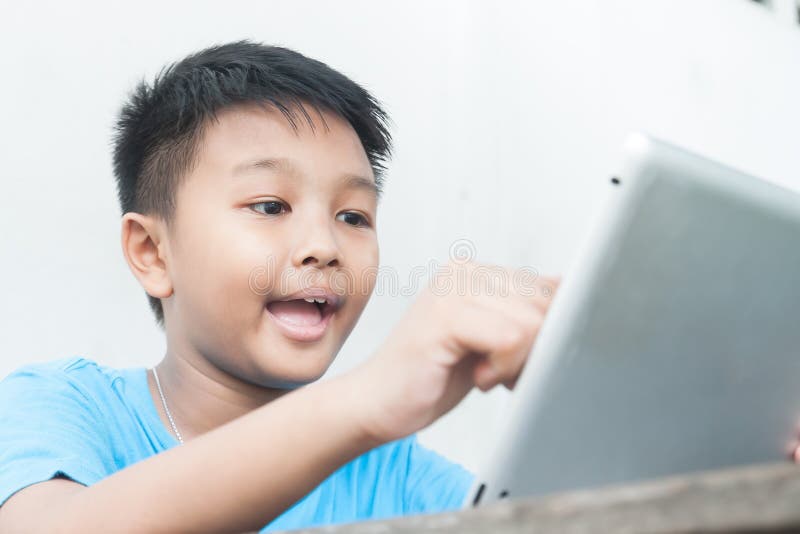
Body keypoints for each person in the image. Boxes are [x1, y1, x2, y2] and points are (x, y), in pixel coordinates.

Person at [0, 40, 558, 532]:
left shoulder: (399, 477)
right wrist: (369, 396)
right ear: (152, 252)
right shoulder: (63, 407)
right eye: (270, 205)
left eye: (354, 216)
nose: (325, 245)